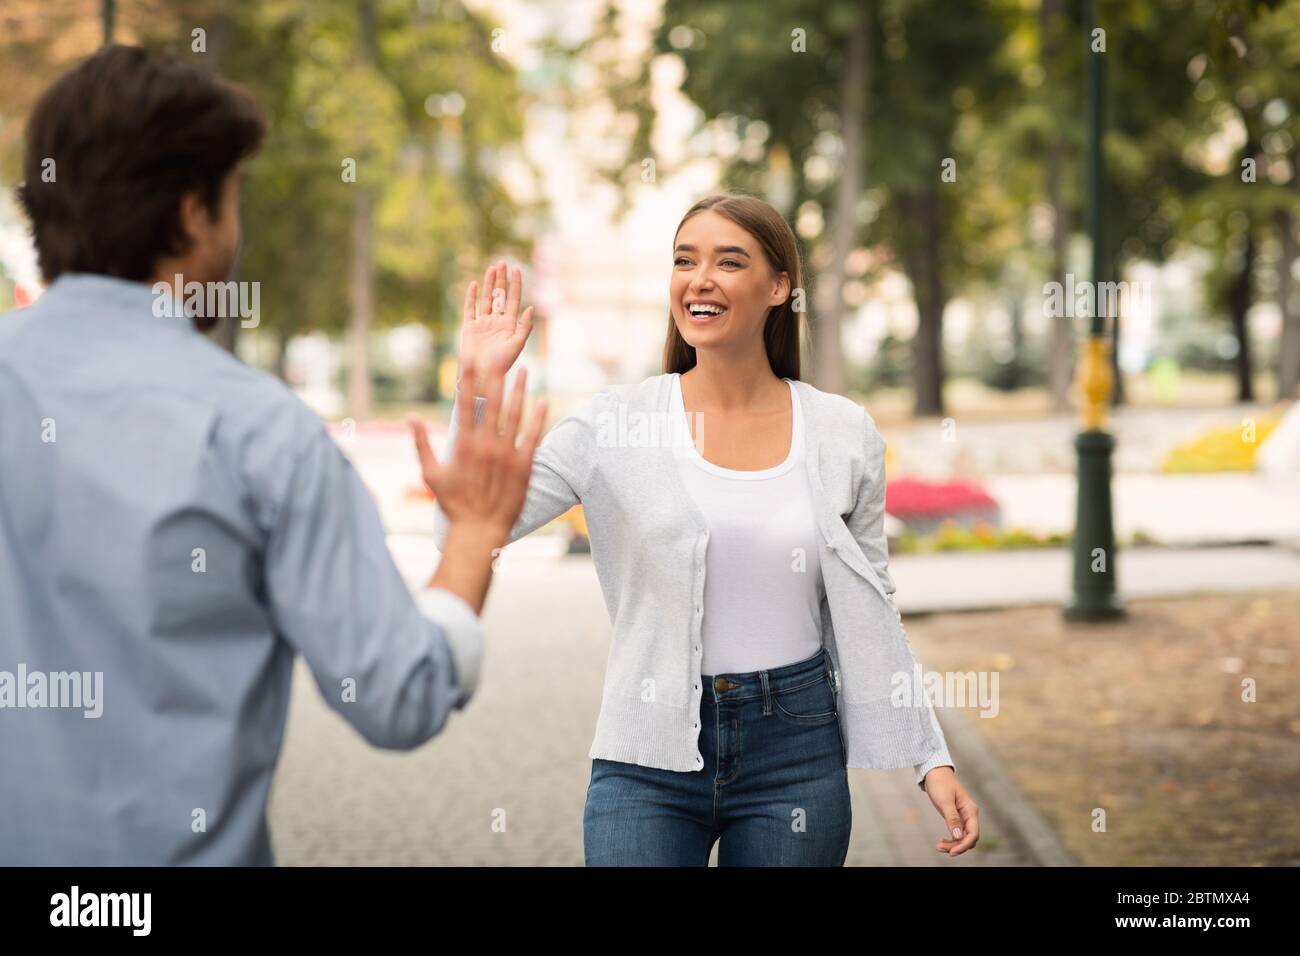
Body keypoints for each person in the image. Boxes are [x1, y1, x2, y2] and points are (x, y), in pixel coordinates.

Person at [0, 44, 544, 865]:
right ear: (191, 214)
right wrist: (471, 534)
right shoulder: (260, 433)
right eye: (234, 198)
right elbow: (397, 695)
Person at [434, 196, 980, 866]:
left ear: (779, 286)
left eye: (730, 261)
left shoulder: (843, 433)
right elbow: (462, 527)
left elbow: (872, 607)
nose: (700, 278)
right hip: (645, 756)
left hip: (796, 756)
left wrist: (931, 757)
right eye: (684, 260)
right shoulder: (615, 426)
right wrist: (478, 385)